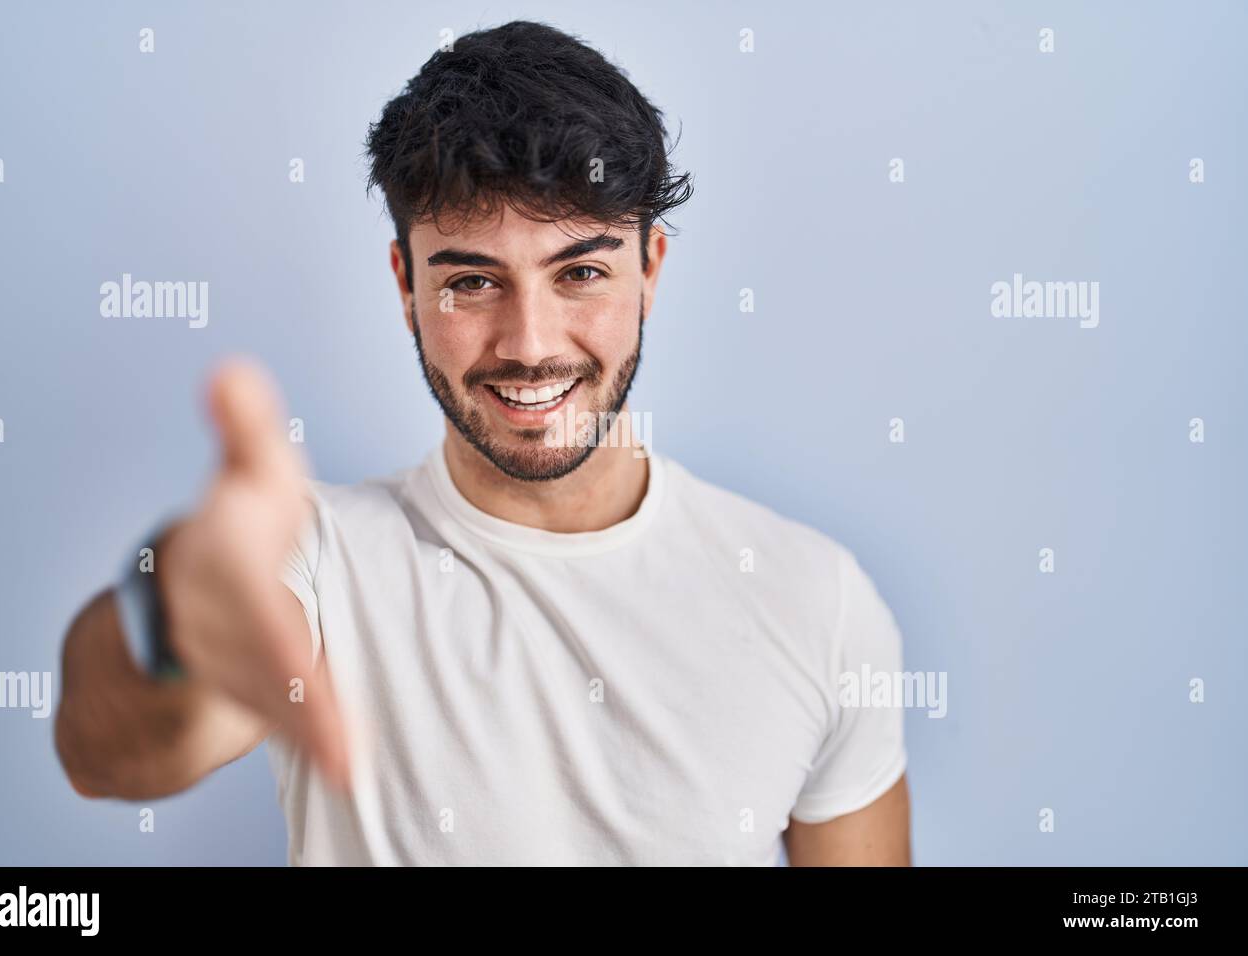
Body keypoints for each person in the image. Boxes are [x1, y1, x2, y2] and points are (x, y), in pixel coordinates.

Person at [55, 19, 910, 866]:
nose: (531, 343)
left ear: (649, 269)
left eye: (580, 273)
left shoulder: (814, 599)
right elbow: (107, 756)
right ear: (406, 285)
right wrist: (173, 614)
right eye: (472, 281)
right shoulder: (314, 561)